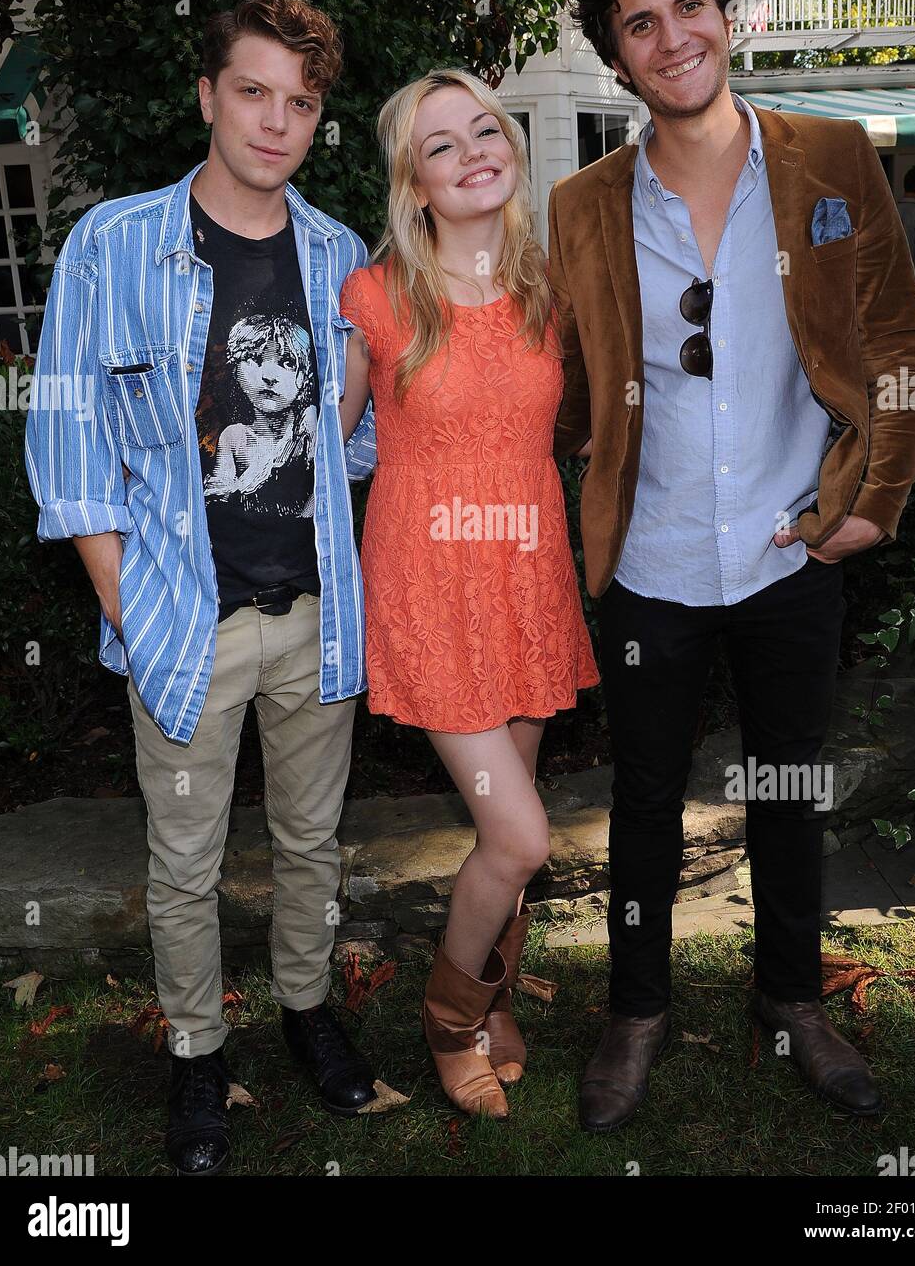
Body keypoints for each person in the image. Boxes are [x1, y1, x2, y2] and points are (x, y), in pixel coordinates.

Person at [549, 0, 915, 1132]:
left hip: (789, 547)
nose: (673, 38)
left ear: (730, 12)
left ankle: (792, 998)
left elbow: (900, 347)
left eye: (689, 6)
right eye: (640, 22)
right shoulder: (581, 208)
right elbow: (562, 391)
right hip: (651, 561)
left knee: (788, 786)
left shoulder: (832, 156)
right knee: (645, 800)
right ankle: (636, 1011)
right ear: (618, 58)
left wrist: (870, 505)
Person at [25, 0, 380, 1176]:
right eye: (253, 91)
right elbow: (71, 452)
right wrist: (137, 607)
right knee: (182, 863)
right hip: (186, 619)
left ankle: (308, 1012)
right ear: (207, 96)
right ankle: (194, 1054)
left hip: (318, 618)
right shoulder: (112, 246)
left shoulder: (339, 258)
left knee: (313, 844)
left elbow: (354, 445)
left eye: (300, 101)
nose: (275, 121)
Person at [337, 67, 599, 1119]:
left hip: (529, 583)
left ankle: (492, 1003)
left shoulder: (546, 286)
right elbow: (311, 451)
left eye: (484, 129)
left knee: (511, 831)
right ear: (415, 183)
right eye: (440, 145)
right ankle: (450, 1022)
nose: (471, 152)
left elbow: (577, 427)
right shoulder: (377, 296)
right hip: (430, 593)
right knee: (521, 836)